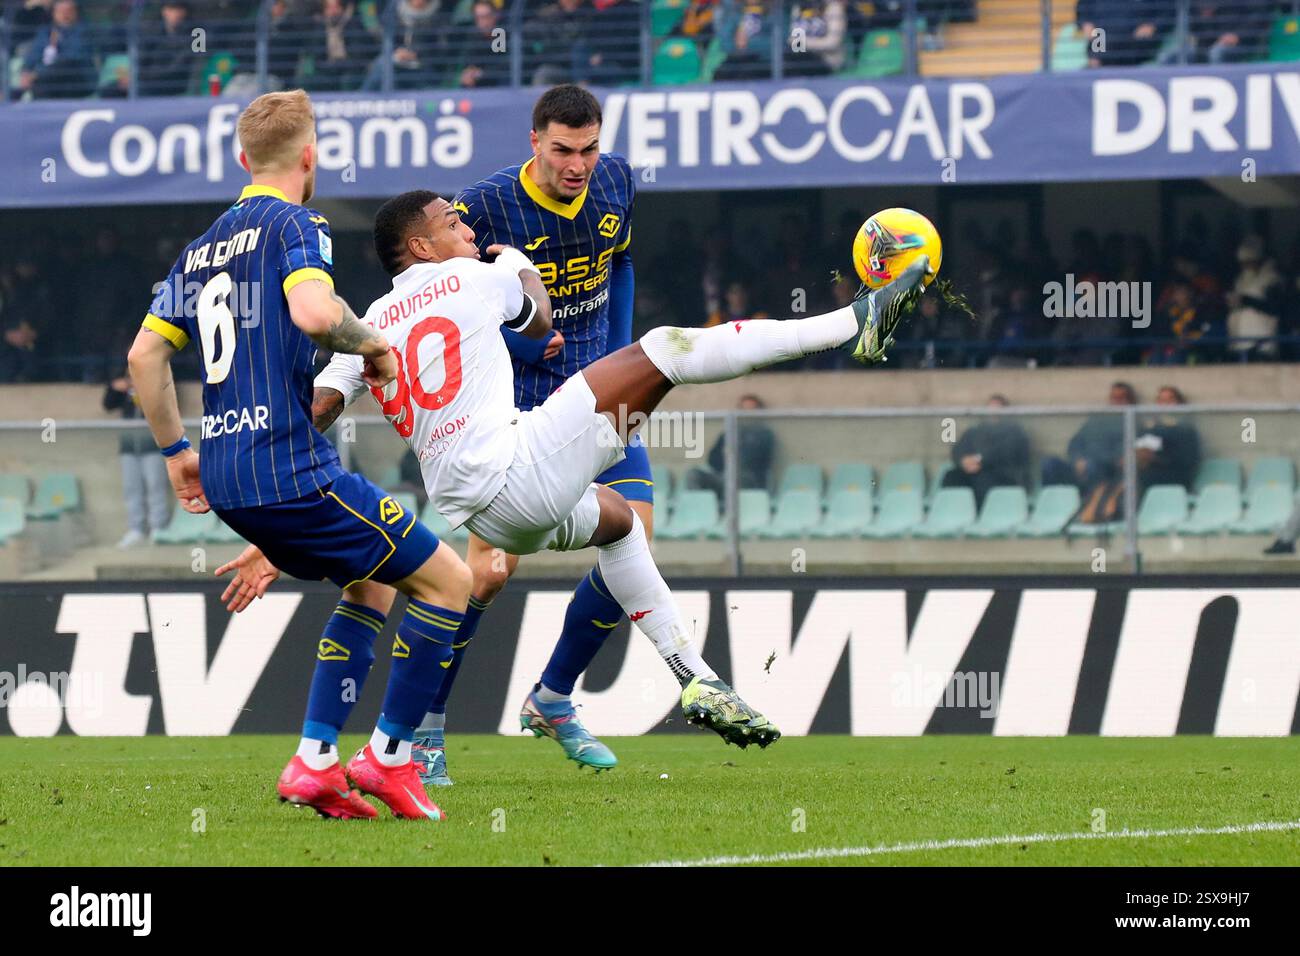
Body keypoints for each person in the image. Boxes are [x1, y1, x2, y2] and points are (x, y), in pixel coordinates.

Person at [224, 192, 930, 772]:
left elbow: (319, 409)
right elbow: (539, 318)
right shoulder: (476, 275)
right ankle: (853, 323)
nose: (469, 229)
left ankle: (696, 677)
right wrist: (520, 262)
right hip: (518, 471)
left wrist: (278, 516)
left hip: (487, 512)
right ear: (419, 247)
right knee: (664, 350)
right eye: (452, 223)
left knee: (620, 520)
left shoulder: (366, 322)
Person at [126, 89, 473, 823]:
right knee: (451, 581)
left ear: (242, 159)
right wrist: (375, 346)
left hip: (226, 473)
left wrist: (175, 451)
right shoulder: (297, 225)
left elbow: (145, 355)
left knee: (372, 582)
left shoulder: (199, 248)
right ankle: (388, 760)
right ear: (309, 158)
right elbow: (316, 315)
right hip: (285, 467)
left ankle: (316, 763)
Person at [409, 85, 647, 784]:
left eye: (590, 148)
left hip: (603, 395)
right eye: (564, 150)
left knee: (634, 537)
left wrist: (624, 355)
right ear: (536, 142)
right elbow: (444, 303)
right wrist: (517, 349)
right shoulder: (481, 207)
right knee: (487, 572)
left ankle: (552, 696)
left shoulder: (618, 182)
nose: (579, 165)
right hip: (513, 403)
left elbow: (621, 263)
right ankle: (425, 728)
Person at [103, 371, 172, 548]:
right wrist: (114, 388)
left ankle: (159, 527)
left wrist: (147, 388)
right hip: (129, 447)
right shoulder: (125, 389)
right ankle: (136, 529)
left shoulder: (161, 379)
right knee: (132, 488)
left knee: (156, 486)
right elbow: (108, 404)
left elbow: (169, 404)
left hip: (153, 445)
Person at [1040, 381, 1135, 493]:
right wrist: (1078, 459)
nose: (1115, 402)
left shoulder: (1132, 423)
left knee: (1092, 467)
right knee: (1048, 463)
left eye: (1120, 398)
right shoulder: (1095, 420)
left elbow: (1121, 456)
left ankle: (1091, 505)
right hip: (1079, 467)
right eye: (1113, 398)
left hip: (1104, 473)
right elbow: (1075, 443)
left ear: (1129, 401)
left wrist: (1092, 461)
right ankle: (1053, 503)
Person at [941, 395, 1030, 508]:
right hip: (974, 473)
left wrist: (978, 460)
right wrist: (963, 461)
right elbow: (958, 449)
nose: (993, 412)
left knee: (983, 481)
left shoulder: (1015, 432)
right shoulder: (975, 431)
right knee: (951, 476)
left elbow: (1003, 452)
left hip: (1003, 476)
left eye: (998, 409)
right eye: (990, 408)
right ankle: (951, 512)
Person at [685, 394, 776, 496]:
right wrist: (724, 456)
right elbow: (712, 460)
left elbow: (762, 462)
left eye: (751, 410)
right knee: (693, 474)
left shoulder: (765, 434)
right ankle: (700, 508)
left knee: (736, 477)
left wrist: (738, 452)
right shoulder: (729, 433)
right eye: (743, 409)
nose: (746, 413)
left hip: (748, 480)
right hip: (723, 477)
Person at [16, 0, 95, 99]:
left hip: (76, 80)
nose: (65, 14)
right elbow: (34, 54)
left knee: (62, 67)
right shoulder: (45, 32)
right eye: (60, 11)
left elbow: (71, 58)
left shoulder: (83, 32)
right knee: (39, 85)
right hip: (47, 81)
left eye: (69, 11)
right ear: (54, 13)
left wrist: (38, 74)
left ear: (76, 13)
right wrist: (26, 71)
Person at [1227, 235, 1283, 359]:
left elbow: (1274, 308)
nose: (1246, 266)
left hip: (1263, 343)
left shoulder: (1271, 279)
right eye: (1243, 263)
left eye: (1249, 262)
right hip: (1240, 340)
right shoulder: (1240, 280)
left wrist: (1247, 300)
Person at [1136, 385, 1200, 493]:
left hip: (1174, 479)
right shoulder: (1147, 428)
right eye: (1161, 400)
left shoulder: (1186, 429)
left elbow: (1188, 459)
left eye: (1170, 399)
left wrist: (1155, 458)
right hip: (1145, 480)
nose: (1165, 404)